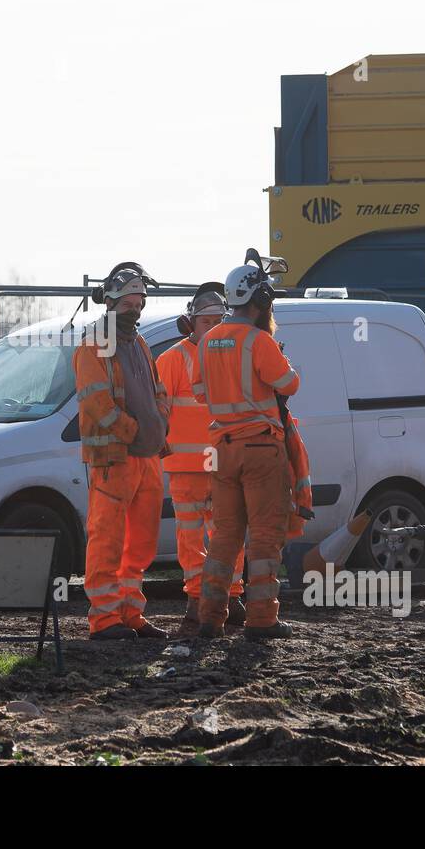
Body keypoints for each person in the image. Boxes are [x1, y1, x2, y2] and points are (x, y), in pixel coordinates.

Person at [191, 251, 300, 640]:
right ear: (262, 302)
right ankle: (261, 620)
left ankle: (209, 617)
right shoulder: (259, 341)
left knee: (224, 537)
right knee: (265, 538)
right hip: (260, 450)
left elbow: (200, 393)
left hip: (222, 449)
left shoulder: (206, 342)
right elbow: (289, 385)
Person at [72, 261, 170, 640]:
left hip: (146, 458)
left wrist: (159, 424)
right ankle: (105, 619)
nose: (136, 308)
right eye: (130, 302)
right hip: (114, 459)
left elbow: (157, 390)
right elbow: (96, 400)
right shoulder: (94, 343)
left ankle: (131, 613)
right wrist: (133, 431)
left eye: (140, 301)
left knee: (140, 543)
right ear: (111, 302)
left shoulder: (139, 343)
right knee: (107, 538)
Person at [156, 282, 246, 636]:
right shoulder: (173, 360)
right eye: (206, 322)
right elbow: (159, 411)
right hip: (188, 469)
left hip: (224, 465)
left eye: (218, 320)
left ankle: (230, 597)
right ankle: (198, 600)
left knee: (229, 535)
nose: (213, 327)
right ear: (190, 323)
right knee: (192, 540)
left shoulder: (233, 355)